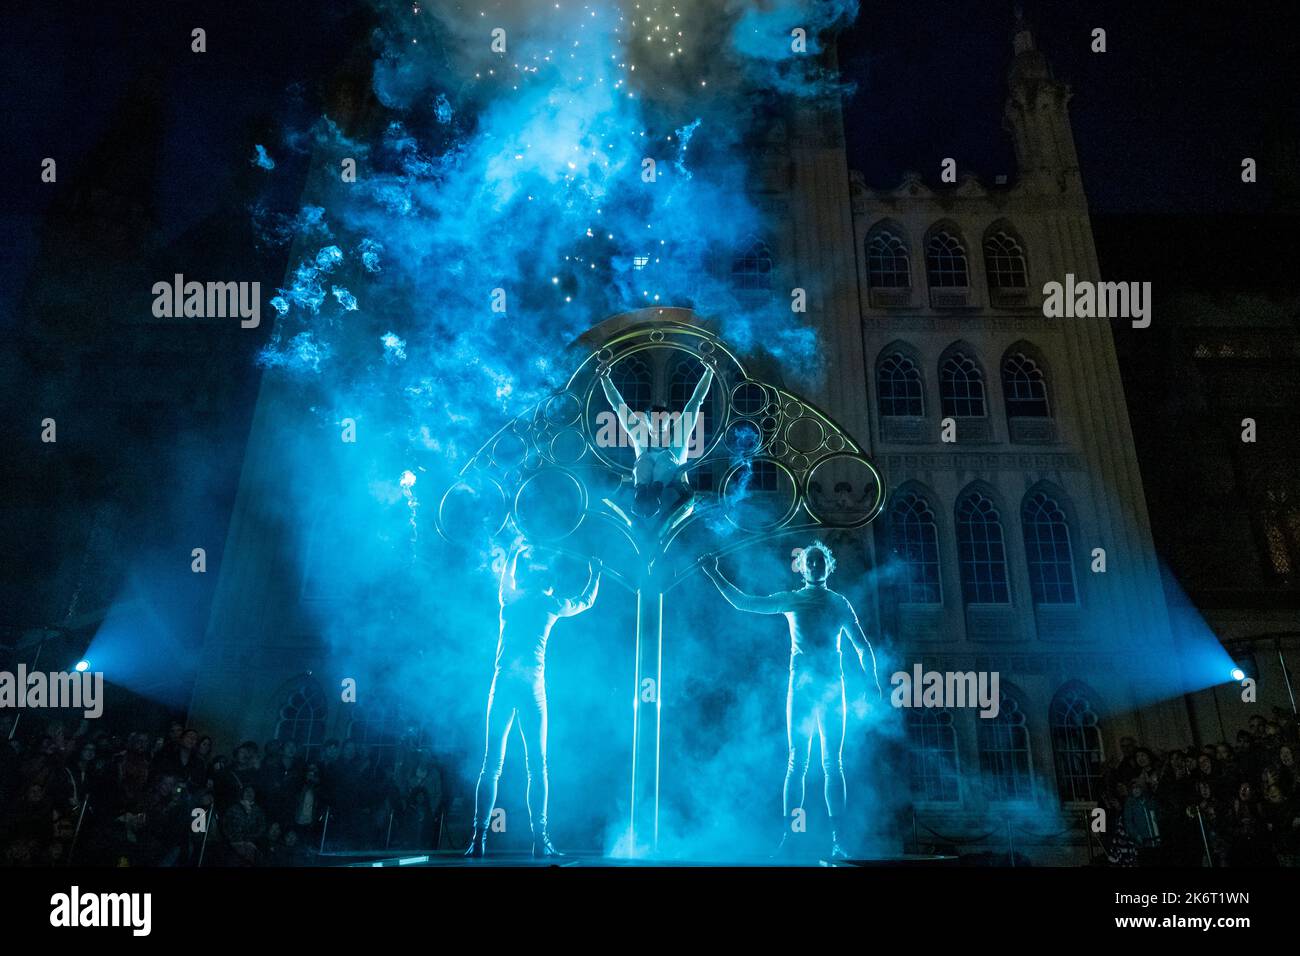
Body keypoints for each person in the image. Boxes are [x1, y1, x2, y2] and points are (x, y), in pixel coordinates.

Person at [702, 541, 881, 859]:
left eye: (819, 561)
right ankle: (791, 835)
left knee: (831, 764)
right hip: (801, 689)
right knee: (797, 764)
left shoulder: (839, 603)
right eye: (809, 561)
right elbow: (744, 602)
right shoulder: (793, 600)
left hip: (830, 689)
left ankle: (837, 840)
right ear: (802, 568)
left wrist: (873, 683)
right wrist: (714, 574)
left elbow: (863, 647)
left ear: (827, 566)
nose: (814, 565)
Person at [465, 545, 602, 858]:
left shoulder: (509, 601)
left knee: (491, 766)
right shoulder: (551, 603)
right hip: (531, 688)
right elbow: (586, 600)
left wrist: (515, 552)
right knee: (537, 767)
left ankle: (478, 838)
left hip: (501, 686)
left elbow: (506, 578)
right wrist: (595, 573)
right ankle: (540, 840)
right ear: (549, 584)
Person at [598, 360, 714, 529]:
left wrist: (709, 371)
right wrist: (605, 378)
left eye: (663, 423)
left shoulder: (679, 436)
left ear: (669, 422)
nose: (659, 428)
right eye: (655, 423)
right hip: (641, 498)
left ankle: (653, 489)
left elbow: (696, 401)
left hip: (673, 498)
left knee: (667, 457)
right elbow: (618, 406)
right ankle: (642, 490)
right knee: (645, 458)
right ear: (648, 422)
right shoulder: (641, 436)